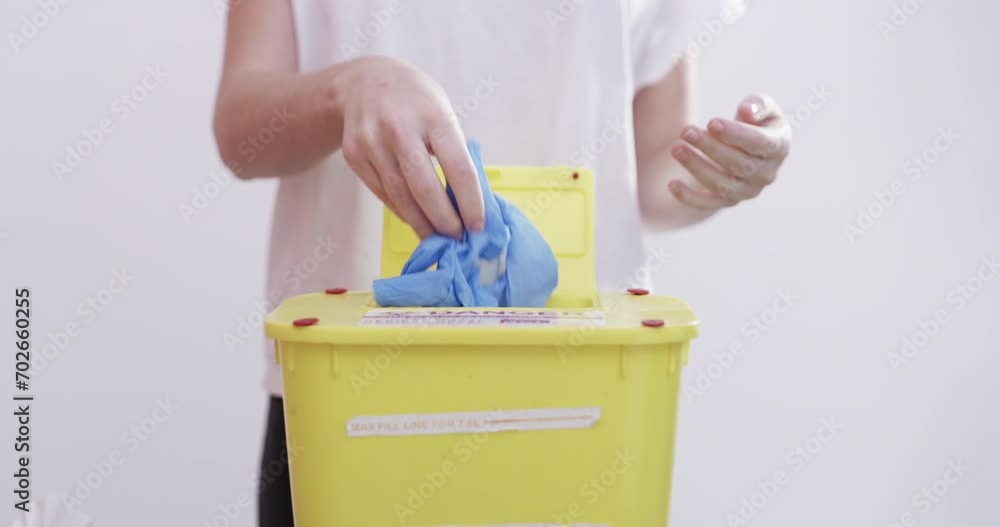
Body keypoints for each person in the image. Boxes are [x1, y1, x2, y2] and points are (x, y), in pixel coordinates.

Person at [212, 1, 792, 525]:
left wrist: (724, 167)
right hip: (348, 398)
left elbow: (652, 166)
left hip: (583, 394)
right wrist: (347, 87)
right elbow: (242, 130)